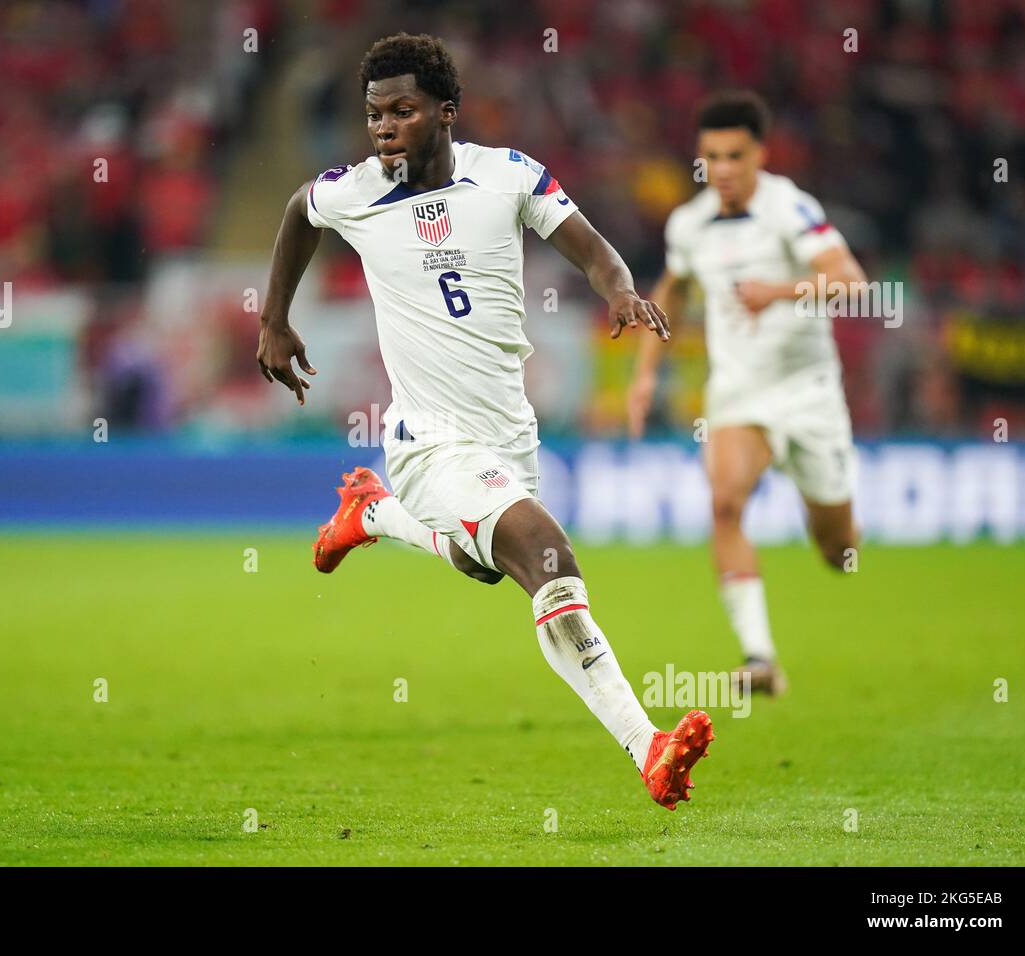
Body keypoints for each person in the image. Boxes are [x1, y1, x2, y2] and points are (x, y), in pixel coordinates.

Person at [257, 33, 711, 810]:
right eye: (374, 114)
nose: (385, 127)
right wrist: (274, 319)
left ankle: (370, 515)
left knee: (486, 565)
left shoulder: (505, 176)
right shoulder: (355, 191)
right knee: (549, 558)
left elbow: (593, 248)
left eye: (403, 110)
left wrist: (619, 291)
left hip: (506, 435)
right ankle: (649, 746)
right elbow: (301, 209)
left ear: (446, 113)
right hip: (429, 443)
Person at [629, 91, 866, 694]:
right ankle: (760, 658)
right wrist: (645, 372)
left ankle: (831, 523)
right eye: (711, 156)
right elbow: (674, 290)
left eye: (735, 154)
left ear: (760, 153)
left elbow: (851, 282)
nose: (724, 169)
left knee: (839, 553)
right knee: (725, 503)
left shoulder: (791, 208)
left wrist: (779, 291)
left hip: (808, 392)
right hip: (738, 392)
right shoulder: (689, 223)